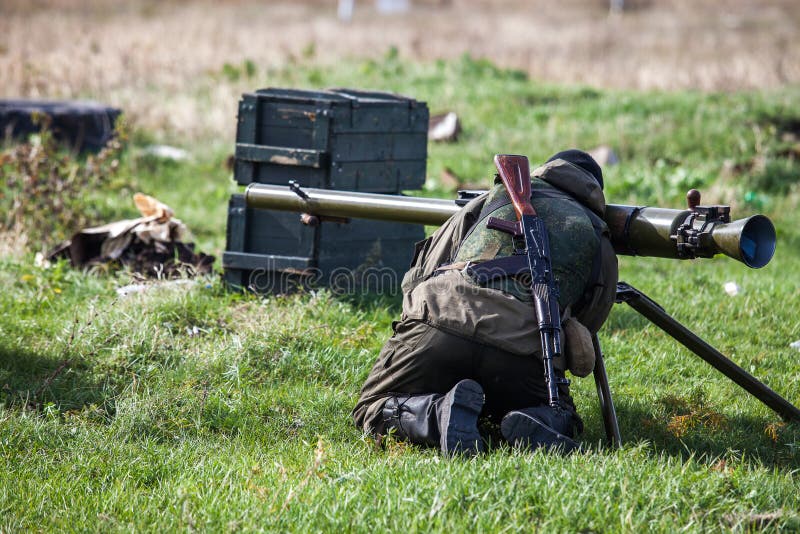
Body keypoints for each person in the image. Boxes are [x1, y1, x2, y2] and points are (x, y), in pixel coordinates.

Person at [352, 150, 619, 455]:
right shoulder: (598, 233)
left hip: (442, 320)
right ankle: (533, 419)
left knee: (372, 407)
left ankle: (439, 415)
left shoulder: (495, 196)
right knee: (563, 417)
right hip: (526, 351)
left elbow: (424, 270)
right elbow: (590, 320)